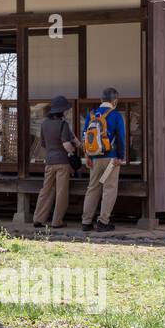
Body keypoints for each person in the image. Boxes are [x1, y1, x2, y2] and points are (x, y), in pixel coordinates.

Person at [80, 87, 126, 233]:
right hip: (111, 160)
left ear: (100, 100)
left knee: (93, 188)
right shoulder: (116, 115)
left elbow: (85, 136)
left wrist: (87, 155)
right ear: (115, 101)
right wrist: (120, 156)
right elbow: (121, 137)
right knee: (109, 189)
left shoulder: (91, 114)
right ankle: (103, 222)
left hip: (94, 159)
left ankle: (86, 222)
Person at [33, 95, 77, 229]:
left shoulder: (44, 124)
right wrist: (73, 152)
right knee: (61, 192)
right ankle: (57, 221)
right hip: (62, 162)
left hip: (49, 161)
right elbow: (66, 145)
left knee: (46, 190)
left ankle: (38, 218)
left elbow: (44, 144)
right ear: (62, 111)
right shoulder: (63, 124)